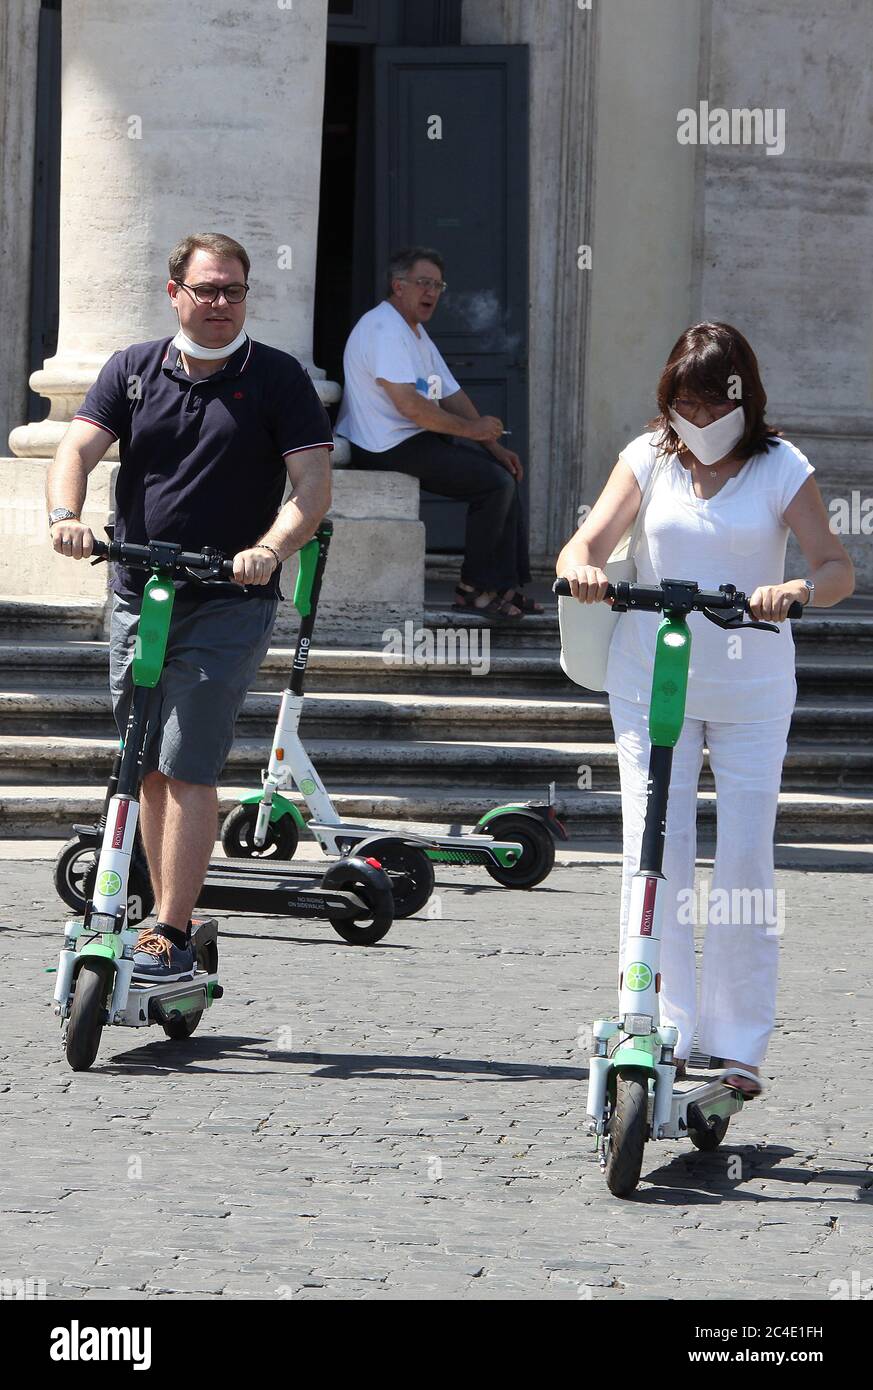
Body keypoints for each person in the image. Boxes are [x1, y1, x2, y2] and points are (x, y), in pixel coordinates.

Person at [556, 321, 854, 1096]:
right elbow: (583, 545)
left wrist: (795, 589)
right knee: (654, 846)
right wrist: (585, 571)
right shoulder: (646, 457)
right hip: (649, 677)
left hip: (751, 685)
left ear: (741, 398)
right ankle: (659, 1023)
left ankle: (736, 1043)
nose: (696, 418)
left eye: (709, 404)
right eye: (681, 404)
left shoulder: (781, 466)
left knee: (745, 856)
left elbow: (835, 567)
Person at [47, 232, 333, 980]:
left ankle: (171, 929)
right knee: (143, 759)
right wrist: (66, 516)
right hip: (139, 590)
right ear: (174, 293)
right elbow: (75, 449)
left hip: (227, 598)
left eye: (234, 290)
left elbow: (311, 489)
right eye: (206, 289)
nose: (220, 303)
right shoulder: (133, 368)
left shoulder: (277, 377)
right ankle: (160, 913)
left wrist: (269, 549)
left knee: (189, 759)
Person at [335, 246, 540, 621]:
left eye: (438, 286)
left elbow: (450, 393)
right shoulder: (383, 329)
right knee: (494, 485)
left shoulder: (414, 332)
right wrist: (473, 430)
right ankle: (473, 589)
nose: (432, 292)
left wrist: (493, 447)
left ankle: (503, 585)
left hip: (409, 438)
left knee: (503, 474)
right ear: (399, 285)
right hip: (382, 444)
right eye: (423, 283)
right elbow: (410, 406)